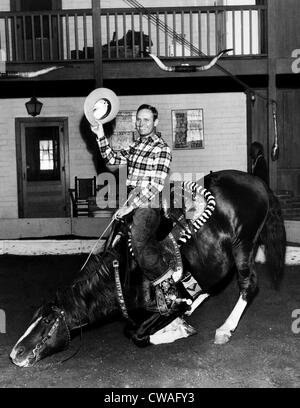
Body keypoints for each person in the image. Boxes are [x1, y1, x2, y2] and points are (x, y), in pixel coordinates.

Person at [91, 104, 179, 315]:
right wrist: (100, 134)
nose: (141, 124)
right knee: (113, 245)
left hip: (149, 204)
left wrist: (130, 206)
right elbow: (111, 159)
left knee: (139, 244)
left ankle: (170, 290)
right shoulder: (135, 145)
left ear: (155, 122)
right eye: (139, 120)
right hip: (132, 201)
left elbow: (156, 185)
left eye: (146, 120)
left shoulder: (162, 148)